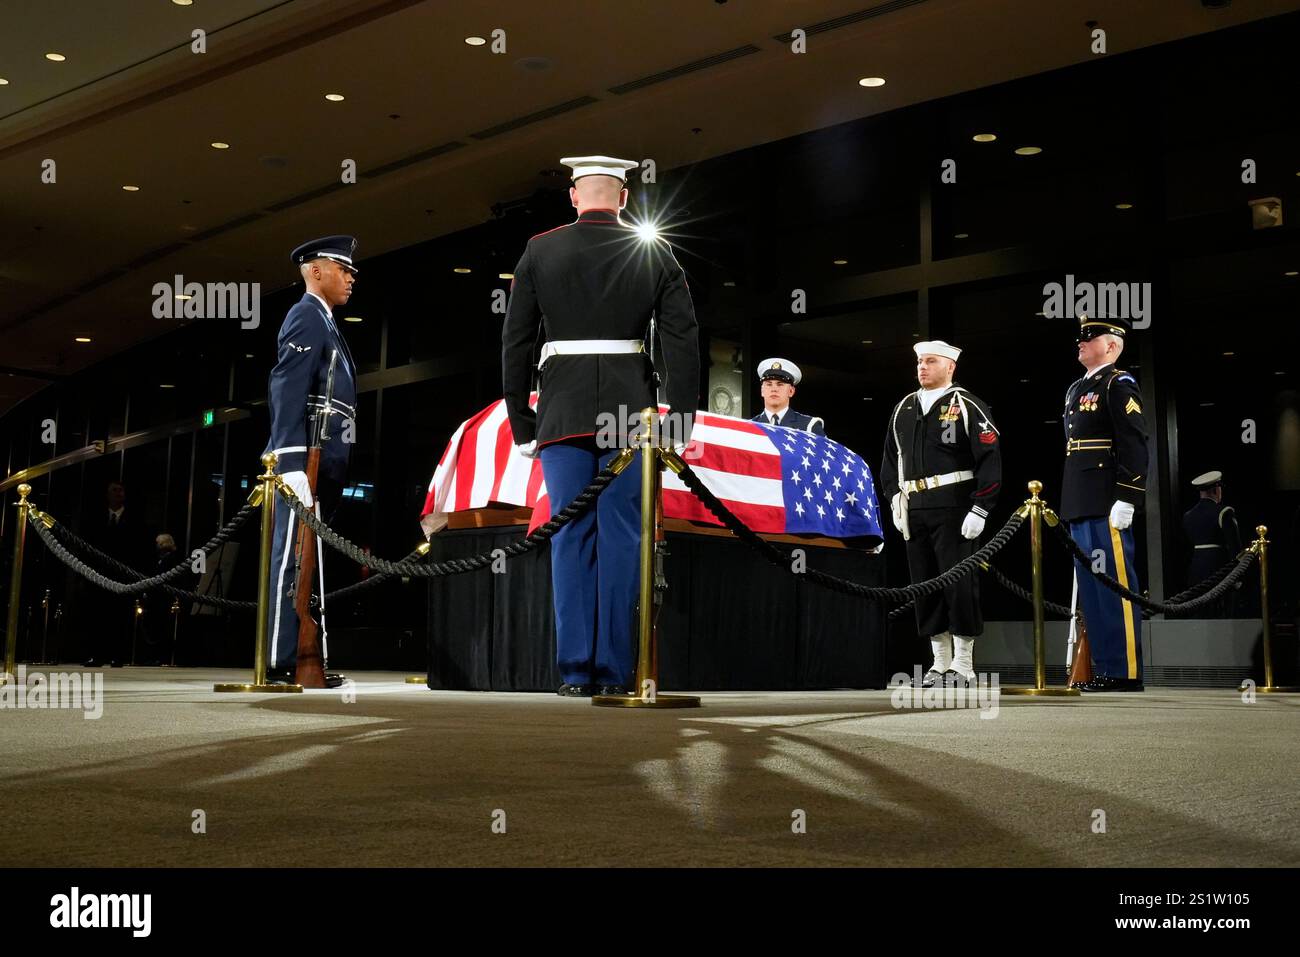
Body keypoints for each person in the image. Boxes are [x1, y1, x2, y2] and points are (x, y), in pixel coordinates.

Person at [502, 155, 700, 697]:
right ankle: (615, 673)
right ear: (624, 198)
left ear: (573, 196)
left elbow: (516, 341)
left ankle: (574, 670)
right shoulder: (654, 250)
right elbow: (682, 339)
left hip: (561, 410)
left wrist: (522, 421)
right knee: (622, 539)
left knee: (569, 537)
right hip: (629, 412)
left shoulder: (540, 250)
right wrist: (680, 421)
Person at [263, 235, 359, 686]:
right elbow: (287, 387)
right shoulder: (305, 316)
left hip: (324, 458)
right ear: (316, 271)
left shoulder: (325, 320)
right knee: (291, 557)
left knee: (309, 556)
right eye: (343, 269)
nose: (350, 277)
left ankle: (308, 658)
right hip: (303, 458)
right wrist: (289, 461)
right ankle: (281, 659)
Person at [880, 340, 1001, 687]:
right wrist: (894, 499)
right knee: (925, 585)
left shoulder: (967, 404)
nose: (922, 367)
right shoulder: (904, 406)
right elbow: (891, 460)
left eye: (930, 361)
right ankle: (939, 662)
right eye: (919, 361)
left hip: (955, 506)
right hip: (914, 507)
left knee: (959, 583)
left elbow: (990, 459)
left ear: (950, 367)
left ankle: (963, 663)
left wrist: (981, 506)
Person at [1060, 314, 1149, 692]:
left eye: (1089, 336)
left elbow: (1134, 442)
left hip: (1106, 499)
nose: (1080, 341)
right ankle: (1105, 667)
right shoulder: (1076, 389)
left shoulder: (1118, 384)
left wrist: (1128, 496)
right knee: (1093, 593)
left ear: (1111, 345)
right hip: (1080, 498)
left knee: (1114, 588)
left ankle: (1124, 671)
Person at [81, 480, 149, 667]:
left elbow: (139, 550)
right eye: (114, 490)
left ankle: (118, 655)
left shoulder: (135, 519)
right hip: (98, 576)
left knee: (120, 618)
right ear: (107, 494)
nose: (118, 494)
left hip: (123, 578)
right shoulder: (95, 518)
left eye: (121, 490)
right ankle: (97, 655)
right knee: (97, 617)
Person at [1182, 470, 1243, 617]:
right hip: (1219, 570)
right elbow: (1236, 548)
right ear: (1216, 489)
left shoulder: (1188, 516)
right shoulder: (1224, 512)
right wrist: (1238, 577)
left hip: (1195, 572)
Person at [750, 358, 825, 435]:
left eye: (780, 384)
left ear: (791, 391)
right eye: (769, 384)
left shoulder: (809, 426)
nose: (774, 389)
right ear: (762, 391)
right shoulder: (749, 427)